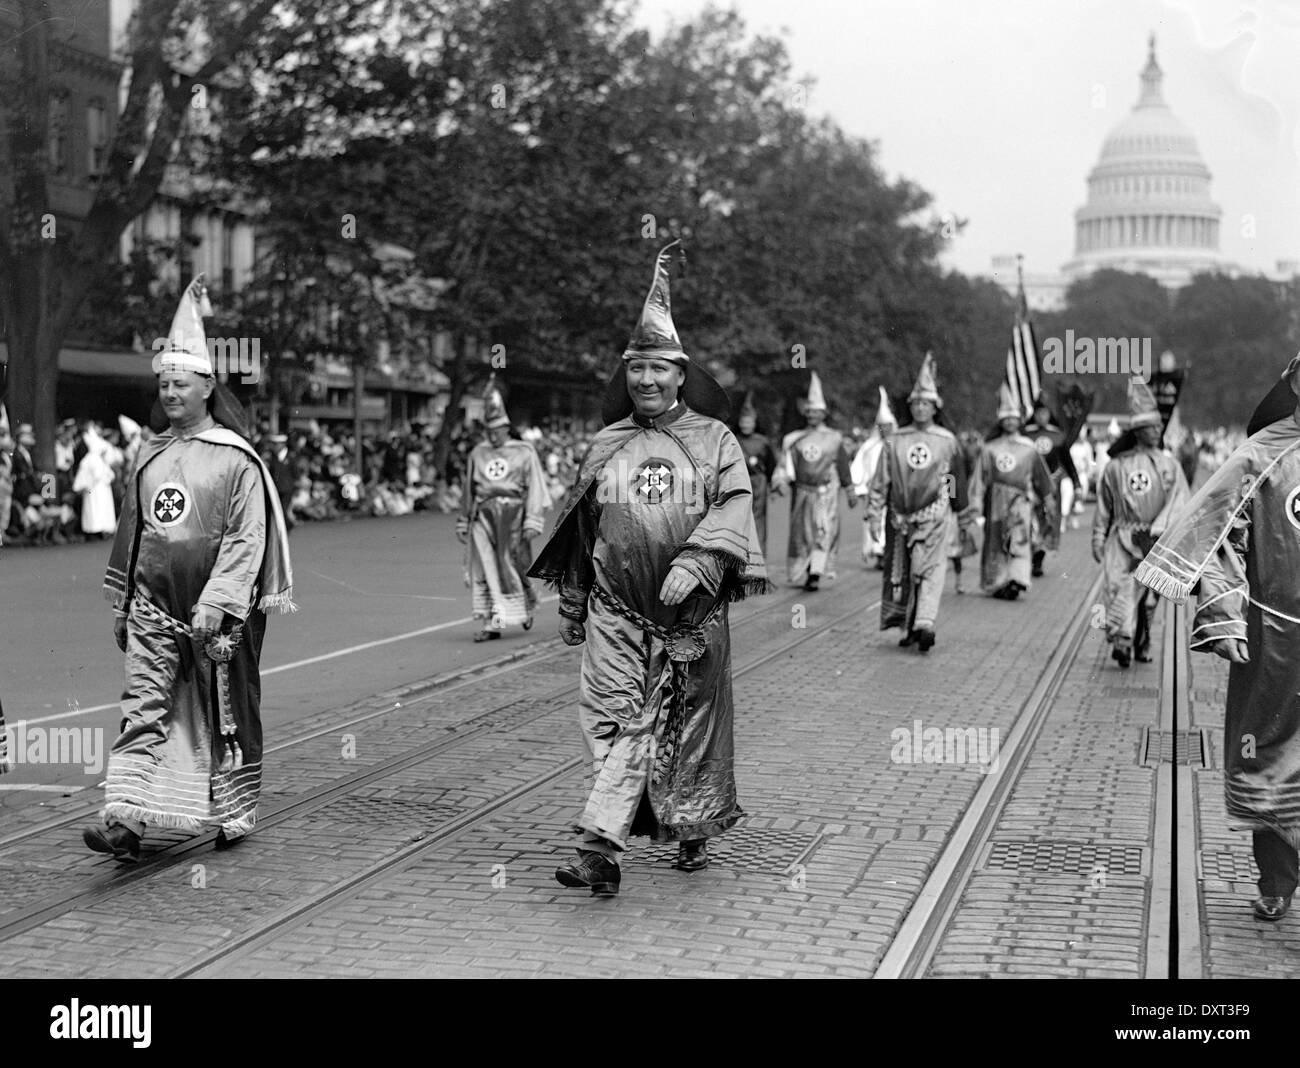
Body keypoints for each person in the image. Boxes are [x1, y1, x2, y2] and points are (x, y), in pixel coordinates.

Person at [528, 241, 769, 897]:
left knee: (684, 736)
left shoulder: (716, 441)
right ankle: (603, 847)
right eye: (636, 368)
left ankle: (686, 825)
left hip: (690, 620)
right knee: (610, 722)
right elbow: (581, 529)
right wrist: (574, 604)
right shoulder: (607, 443)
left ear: (680, 374)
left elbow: (736, 504)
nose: (646, 379)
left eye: (658, 368)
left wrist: (700, 557)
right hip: (615, 615)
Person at [84, 276, 294, 862]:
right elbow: (134, 533)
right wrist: (126, 601)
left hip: (218, 618)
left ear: (206, 386)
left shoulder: (235, 457)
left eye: (180, 382)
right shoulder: (149, 453)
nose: (170, 391)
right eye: (163, 383)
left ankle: (232, 807)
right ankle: (125, 819)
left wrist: (217, 601)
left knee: (223, 713)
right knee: (143, 704)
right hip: (153, 609)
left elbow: (245, 537)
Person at [1136, 353, 1300, 921]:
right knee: (1267, 760)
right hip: (1274, 640)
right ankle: (1276, 879)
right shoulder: (1258, 455)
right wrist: (1227, 618)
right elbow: (1221, 540)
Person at [867, 354, 964, 652]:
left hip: (934, 516)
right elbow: (882, 480)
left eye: (926, 403)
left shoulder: (947, 440)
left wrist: (958, 512)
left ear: (936, 407)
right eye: (916, 403)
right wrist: (873, 514)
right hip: (899, 518)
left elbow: (952, 478)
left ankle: (925, 623)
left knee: (931, 569)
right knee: (903, 573)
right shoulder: (895, 440)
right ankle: (909, 624)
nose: (921, 408)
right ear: (910, 407)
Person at [1094, 378, 1188, 668]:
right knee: (1116, 587)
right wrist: (1098, 536)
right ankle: (1122, 641)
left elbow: (1180, 500)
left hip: (1155, 540)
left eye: (1159, 426)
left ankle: (1140, 640)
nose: (1158, 430)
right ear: (1138, 430)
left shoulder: (1169, 466)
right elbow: (1104, 506)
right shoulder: (1115, 466)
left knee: (1148, 598)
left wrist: (1161, 529)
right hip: (1122, 538)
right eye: (1152, 426)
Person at [457, 379, 549, 642]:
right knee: (484, 568)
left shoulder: (524, 451)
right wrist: (464, 521)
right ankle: (492, 622)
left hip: (513, 516)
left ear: (506, 427)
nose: (492, 435)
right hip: (483, 517)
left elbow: (535, 488)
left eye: (497, 429)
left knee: (513, 565)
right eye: (489, 430)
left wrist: (533, 520)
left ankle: (526, 602)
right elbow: (468, 491)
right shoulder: (478, 453)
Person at [972, 384, 1055, 601]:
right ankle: (997, 581)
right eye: (1006, 418)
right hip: (996, 500)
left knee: (1020, 538)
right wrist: (975, 504)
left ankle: (1017, 578)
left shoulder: (1029, 447)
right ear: (1001, 421)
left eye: (1014, 418)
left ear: (1019, 420)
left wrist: (1047, 498)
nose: (1010, 422)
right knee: (996, 540)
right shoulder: (989, 448)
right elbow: (979, 479)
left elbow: (1041, 476)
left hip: (1020, 500)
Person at [775, 372, 856, 591]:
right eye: (809, 411)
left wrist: (849, 490)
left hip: (825, 493)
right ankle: (804, 567)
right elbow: (785, 465)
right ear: (805, 413)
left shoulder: (834, 438)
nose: (813, 415)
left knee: (822, 531)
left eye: (817, 411)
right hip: (802, 493)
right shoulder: (794, 439)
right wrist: (780, 482)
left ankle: (815, 572)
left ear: (823, 414)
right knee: (803, 534)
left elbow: (842, 465)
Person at [1023, 393, 1073, 576]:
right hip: (1030, 486)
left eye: (1044, 413)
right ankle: (1031, 553)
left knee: (1049, 521)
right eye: (1038, 413)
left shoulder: (1058, 436)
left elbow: (1067, 461)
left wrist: (1075, 482)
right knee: (1030, 520)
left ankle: (1039, 557)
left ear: (1049, 414)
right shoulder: (1025, 434)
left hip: (1052, 486)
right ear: (1034, 414)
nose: (1041, 416)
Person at [851, 386, 896, 568]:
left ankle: (888, 552)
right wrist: (859, 488)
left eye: (888, 426)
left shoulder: (897, 445)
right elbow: (859, 467)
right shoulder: (869, 446)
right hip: (873, 491)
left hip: (893, 491)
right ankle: (878, 553)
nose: (885, 429)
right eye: (882, 426)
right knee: (873, 519)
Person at [733, 391, 777, 556]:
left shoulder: (763, 442)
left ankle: (758, 554)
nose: (745, 425)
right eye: (743, 422)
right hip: (738, 482)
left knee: (758, 518)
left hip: (758, 483)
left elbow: (771, 464)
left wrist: (772, 484)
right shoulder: (732, 439)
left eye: (749, 422)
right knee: (738, 518)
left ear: (754, 423)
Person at [72, 425, 117, 539]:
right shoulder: (90, 459)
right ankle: (93, 530)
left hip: (102, 488)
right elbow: (87, 474)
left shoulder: (99, 459)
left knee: (101, 508)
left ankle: (102, 529)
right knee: (94, 508)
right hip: (93, 488)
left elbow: (109, 473)